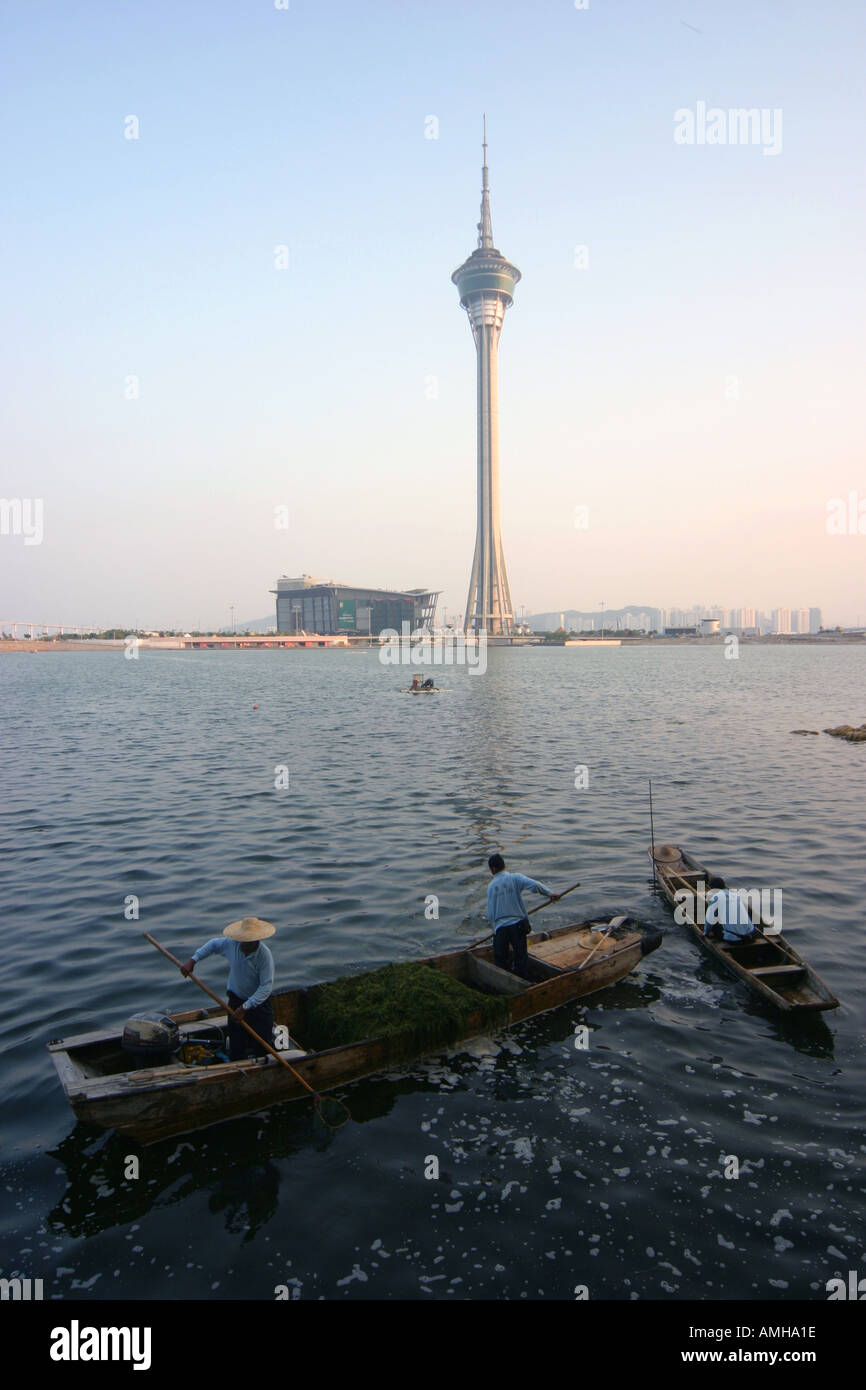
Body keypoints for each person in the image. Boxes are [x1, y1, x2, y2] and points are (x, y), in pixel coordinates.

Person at [181, 917, 276, 1060]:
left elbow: (266, 987)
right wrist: (193, 959)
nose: (244, 945)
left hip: (258, 1005)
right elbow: (213, 944)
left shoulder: (264, 956)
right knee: (236, 1045)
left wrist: (245, 1007)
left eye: (248, 942)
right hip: (236, 1001)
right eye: (243, 940)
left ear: (256, 940)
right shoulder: (232, 944)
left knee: (263, 1047)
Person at [486, 854, 559, 978]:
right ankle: (522, 980)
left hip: (501, 929)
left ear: (492, 869)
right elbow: (535, 885)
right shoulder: (515, 878)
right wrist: (550, 894)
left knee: (500, 961)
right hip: (517, 926)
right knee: (521, 958)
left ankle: (503, 982)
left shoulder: (491, 887)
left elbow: (491, 912)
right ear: (504, 866)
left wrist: (495, 929)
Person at [703, 875, 758, 944]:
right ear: (724, 886)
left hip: (736, 940)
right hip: (752, 935)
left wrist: (705, 933)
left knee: (714, 924)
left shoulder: (715, 898)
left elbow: (709, 920)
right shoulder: (735, 895)